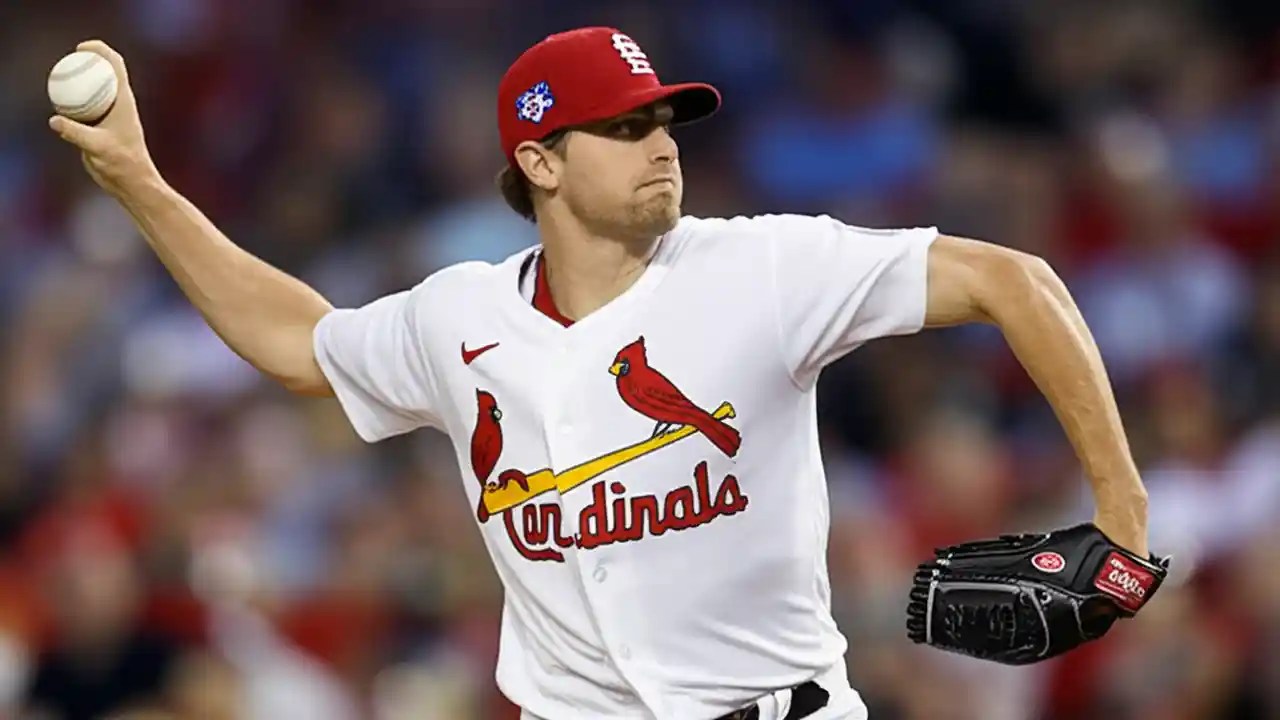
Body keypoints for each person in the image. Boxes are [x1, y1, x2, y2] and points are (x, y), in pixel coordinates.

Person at [49, 27, 1150, 720]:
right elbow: (297, 343)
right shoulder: (460, 318)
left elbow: (1014, 279)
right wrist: (141, 181)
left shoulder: (761, 265)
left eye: (662, 120)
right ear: (538, 163)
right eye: (622, 127)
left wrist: (1119, 509)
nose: (661, 142)